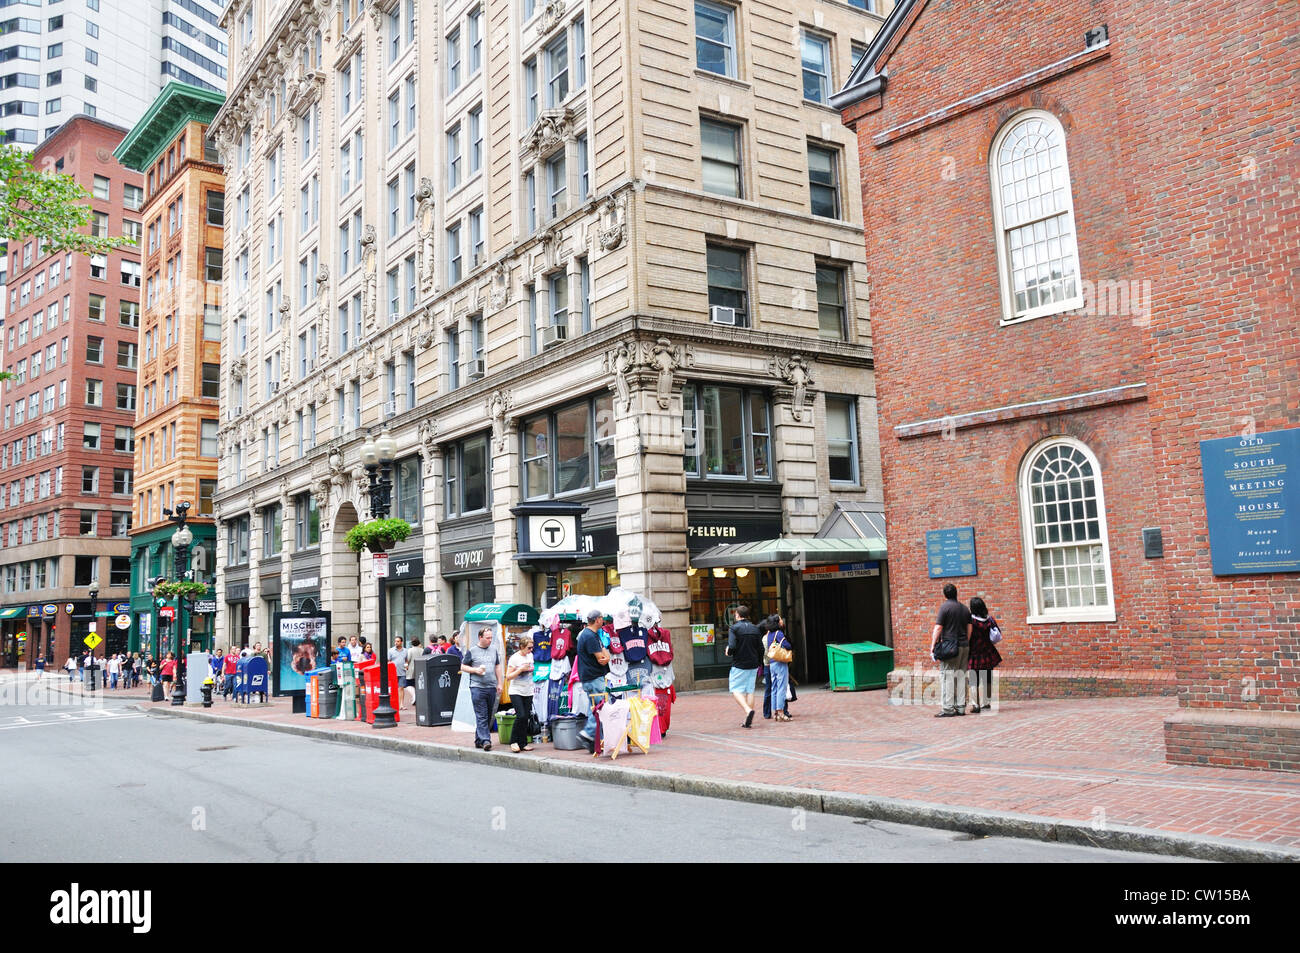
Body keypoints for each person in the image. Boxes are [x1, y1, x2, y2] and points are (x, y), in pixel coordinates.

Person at [931, 583, 972, 717]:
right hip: (964, 646)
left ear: (945, 595)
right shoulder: (965, 609)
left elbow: (938, 628)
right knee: (961, 677)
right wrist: (965, 641)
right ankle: (961, 708)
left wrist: (932, 646)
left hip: (950, 647)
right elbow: (969, 628)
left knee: (947, 677)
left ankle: (948, 708)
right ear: (956, 593)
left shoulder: (945, 607)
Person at [460, 627, 502, 750]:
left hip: (491, 686)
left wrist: (500, 683)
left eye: (491, 637)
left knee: (488, 715)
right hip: (477, 687)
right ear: (480, 637)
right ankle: (486, 740)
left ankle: (478, 740)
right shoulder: (472, 651)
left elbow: (497, 666)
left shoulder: (493, 650)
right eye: (487, 638)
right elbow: (463, 666)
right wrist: (475, 670)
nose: (490, 640)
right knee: (481, 715)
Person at [575, 608, 610, 750]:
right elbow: (602, 659)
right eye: (602, 618)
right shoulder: (590, 636)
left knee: (594, 708)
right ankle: (588, 733)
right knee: (601, 707)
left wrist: (606, 656)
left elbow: (605, 655)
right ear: (597, 620)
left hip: (590, 677)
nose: (603, 620)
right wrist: (606, 657)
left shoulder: (591, 635)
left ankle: (594, 742)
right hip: (593, 677)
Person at [725, 606, 763, 728]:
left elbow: (732, 646)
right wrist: (759, 662)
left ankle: (748, 710)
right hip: (753, 664)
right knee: (750, 690)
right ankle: (747, 719)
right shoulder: (755, 628)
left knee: (735, 689)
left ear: (737, 614)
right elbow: (761, 648)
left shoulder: (734, 628)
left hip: (739, 664)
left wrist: (728, 651)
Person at [967, 596, 1002, 713]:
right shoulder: (990, 619)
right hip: (988, 652)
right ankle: (986, 703)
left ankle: (975, 705)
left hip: (974, 653)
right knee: (987, 679)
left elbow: (968, 636)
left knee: (973, 680)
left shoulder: (971, 621)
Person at [505, 635, 536, 753]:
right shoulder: (514, 658)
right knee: (521, 715)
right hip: (516, 691)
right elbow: (508, 676)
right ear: (522, 647)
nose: (531, 650)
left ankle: (523, 742)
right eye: (529, 648)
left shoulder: (530, 656)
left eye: (532, 648)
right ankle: (513, 741)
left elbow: (531, 669)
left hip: (528, 690)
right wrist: (520, 669)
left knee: (526, 717)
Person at [764, 614, 794, 722]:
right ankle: (781, 712)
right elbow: (788, 645)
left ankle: (775, 713)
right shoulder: (779, 633)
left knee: (774, 687)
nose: (782, 621)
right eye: (780, 619)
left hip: (772, 663)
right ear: (777, 622)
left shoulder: (769, 634)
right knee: (782, 687)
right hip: (780, 662)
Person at [403, 637, 424, 709]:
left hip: (411, 670)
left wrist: (405, 667)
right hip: (420, 669)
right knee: (417, 684)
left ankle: (414, 695)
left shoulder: (410, 650)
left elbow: (407, 660)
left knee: (408, 684)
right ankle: (417, 696)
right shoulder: (422, 650)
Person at [389, 636, 408, 709]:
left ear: (401, 642)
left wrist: (406, 666)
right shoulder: (391, 650)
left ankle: (401, 704)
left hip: (402, 672)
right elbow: (388, 661)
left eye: (398, 641)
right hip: (393, 673)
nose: (396, 643)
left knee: (401, 688)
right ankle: (394, 704)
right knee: (393, 689)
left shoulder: (405, 651)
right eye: (395, 641)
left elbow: (406, 660)